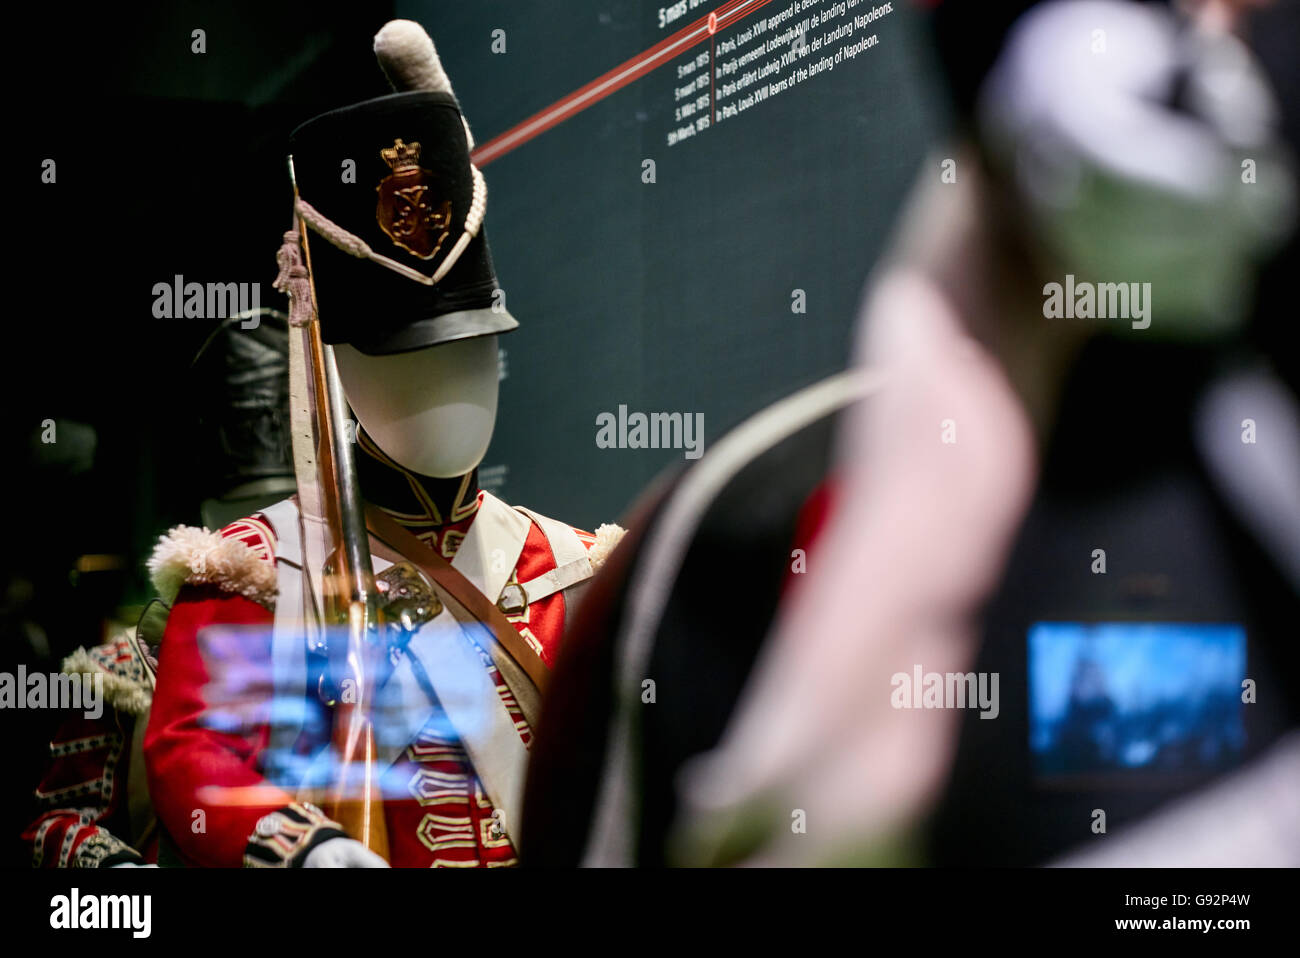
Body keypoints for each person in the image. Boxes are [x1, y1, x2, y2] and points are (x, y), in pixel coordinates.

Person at [142, 20, 624, 868]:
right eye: (406, 360)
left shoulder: (572, 565)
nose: (445, 388)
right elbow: (195, 755)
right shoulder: (257, 572)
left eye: (468, 351)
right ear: (345, 370)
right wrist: (299, 848)